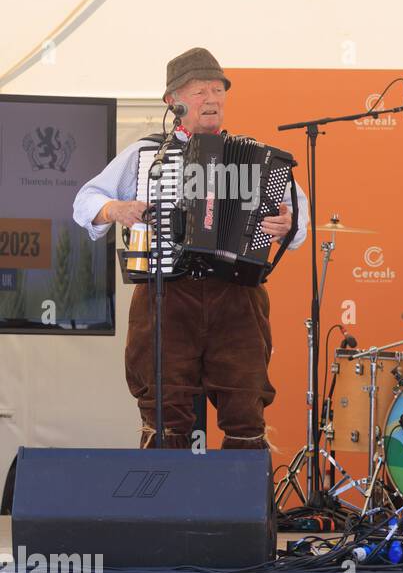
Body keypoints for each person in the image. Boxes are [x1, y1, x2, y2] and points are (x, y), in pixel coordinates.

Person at [73, 47, 309, 449]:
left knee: (244, 405)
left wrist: (289, 224)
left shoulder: (256, 156)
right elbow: (85, 201)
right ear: (173, 102)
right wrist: (117, 208)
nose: (212, 99)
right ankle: (163, 503)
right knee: (164, 408)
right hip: (167, 292)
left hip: (236, 294)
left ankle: (243, 505)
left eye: (218, 90)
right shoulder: (147, 154)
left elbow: (298, 215)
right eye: (200, 91)